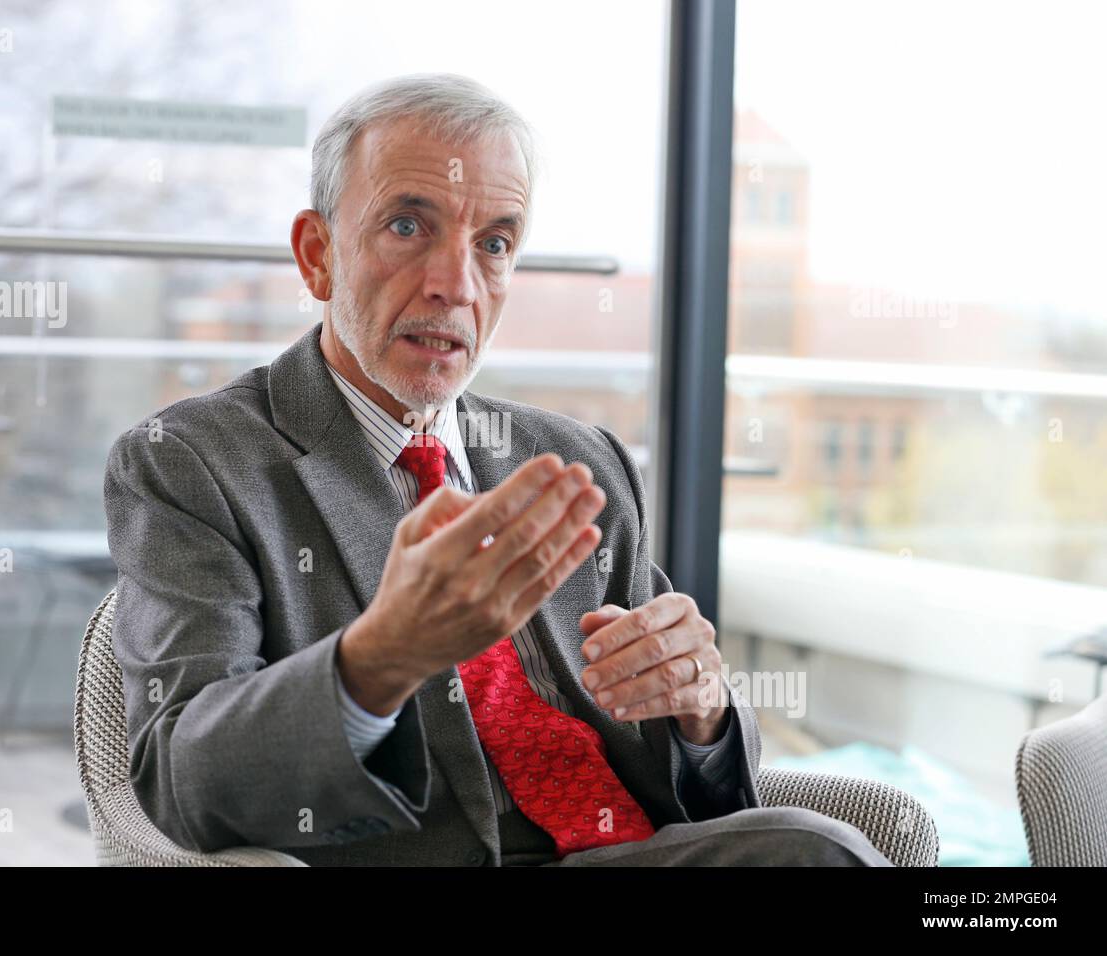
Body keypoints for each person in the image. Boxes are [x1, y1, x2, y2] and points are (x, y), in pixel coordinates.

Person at [103, 72, 891, 866]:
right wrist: (382, 656)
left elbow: (707, 785)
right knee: (817, 854)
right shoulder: (194, 464)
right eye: (409, 226)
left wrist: (702, 710)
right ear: (318, 256)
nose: (457, 285)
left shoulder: (580, 461)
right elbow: (177, 782)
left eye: (494, 243)